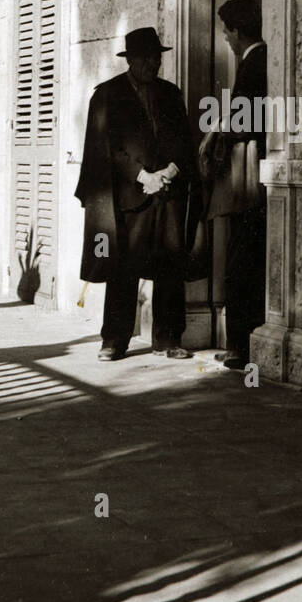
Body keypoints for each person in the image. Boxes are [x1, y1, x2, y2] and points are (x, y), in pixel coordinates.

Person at [75, 27, 195, 360]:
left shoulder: (171, 94)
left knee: (170, 266)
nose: (153, 64)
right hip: (130, 198)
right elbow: (105, 150)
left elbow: (184, 142)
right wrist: (144, 176)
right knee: (123, 269)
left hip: (167, 193)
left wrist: (169, 172)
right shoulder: (107, 95)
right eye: (145, 58)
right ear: (130, 60)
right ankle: (114, 340)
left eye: (156, 57)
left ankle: (168, 339)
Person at [204, 0, 267, 371]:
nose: (225, 38)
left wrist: (218, 132)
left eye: (226, 32)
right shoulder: (261, 60)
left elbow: (246, 122)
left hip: (246, 178)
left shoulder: (254, 64)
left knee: (241, 260)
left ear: (238, 31)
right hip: (255, 177)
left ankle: (239, 346)